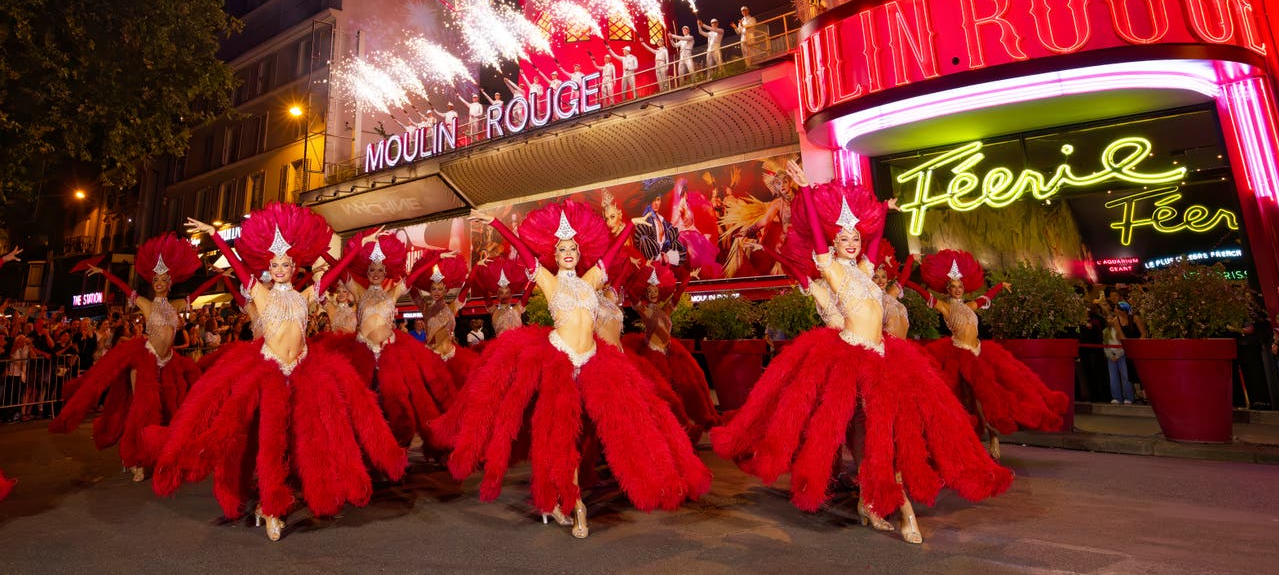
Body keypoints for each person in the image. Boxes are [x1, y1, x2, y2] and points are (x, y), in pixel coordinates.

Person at [712, 163, 1011, 544]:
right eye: (844, 238)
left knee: (886, 435)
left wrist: (883, 212)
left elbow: (871, 245)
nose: (852, 242)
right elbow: (814, 245)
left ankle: (874, 503)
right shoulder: (831, 272)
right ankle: (899, 513)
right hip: (848, 356)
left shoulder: (866, 271)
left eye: (856, 237)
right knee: (855, 431)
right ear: (833, 245)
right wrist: (804, 193)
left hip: (884, 357)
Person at [430, 201, 711, 539]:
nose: (567, 253)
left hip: (594, 360)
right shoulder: (549, 281)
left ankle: (653, 478)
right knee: (561, 437)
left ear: (580, 252)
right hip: (559, 362)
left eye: (572, 248)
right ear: (554, 252)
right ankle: (570, 504)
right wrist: (495, 223)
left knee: (635, 415)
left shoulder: (591, 280)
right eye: (561, 248)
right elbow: (521, 249)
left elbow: (610, 255)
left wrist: (628, 229)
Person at [148, 204, 406, 541]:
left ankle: (306, 488)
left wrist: (359, 246)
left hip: (303, 373)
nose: (281, 269)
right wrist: (215, 236)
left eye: (286, 264)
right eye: (275, 265)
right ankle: (270, 507)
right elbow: (239, 267)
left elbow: (337, 269)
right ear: (269, 267)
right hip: (269, 373)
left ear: (294, 266)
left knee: (309, 435)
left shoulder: (306, 298)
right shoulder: (259, 292)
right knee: (270, 441)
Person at [50, 235, 218, 480]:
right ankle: (137, 459)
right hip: (146, 361)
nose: (159, 283)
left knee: (171, 409)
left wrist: (218, 276)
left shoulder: (176, 306)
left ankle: (166, 454)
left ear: (170, 283)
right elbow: (125, 288)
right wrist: (103, 273)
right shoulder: (147, 305)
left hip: (169, 361)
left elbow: (200, 290)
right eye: (155, 280)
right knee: (142, 409)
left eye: (163, 280)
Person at [910, 250, 1071, 459]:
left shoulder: (970, 306)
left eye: (960, 287)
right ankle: (969, 442)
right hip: (959, 356)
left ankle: (993, 433)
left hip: (978, 354)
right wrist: (907, 283)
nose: (958, 290)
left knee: (989, 396)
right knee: (966, 401)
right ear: (947, 289)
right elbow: (926, 295)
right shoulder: (946, 308)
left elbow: (986, 297)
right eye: (954, 287)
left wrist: (1000, 286)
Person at [319, 231, 458, 448]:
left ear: (386, 272)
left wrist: (437, 259)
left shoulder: (393, 292)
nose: (375, 273)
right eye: (372, 269)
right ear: (366, 271)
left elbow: (412, 277)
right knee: (360, 402)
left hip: (389, 355)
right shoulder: (358, 291)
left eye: (380, 270)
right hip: (362, 354)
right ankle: (361, 445)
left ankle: (397, 445)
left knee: (395, 402)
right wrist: (320, 250)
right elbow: (340, 269)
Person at [622, 264, 719, 439]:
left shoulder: (666, 309)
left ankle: (691, 421)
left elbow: (678, 294)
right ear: (646, 292)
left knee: (689, 383)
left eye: (656, 290)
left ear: (660, 291)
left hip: (670, 353)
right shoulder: (644, 310)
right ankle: (669, 427)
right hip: (653, 356)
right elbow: (632, 294)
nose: (653, 293)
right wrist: (629, 273)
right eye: (649, 290)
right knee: (663, 392)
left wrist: (690, 277)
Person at [409, 255, 478, 388]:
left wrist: (476, 266)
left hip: (452, 358)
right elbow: (412, 291)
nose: (436, 292)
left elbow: (467, 285)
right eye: (433, 289)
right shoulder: (426, 309)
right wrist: (402, 273)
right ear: (429, 290)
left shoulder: (453, 307)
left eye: (440, 289)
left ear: (446, 290)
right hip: (431, 358)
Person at [475, 258, 530, 337]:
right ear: (497, 296)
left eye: (507, 293)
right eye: (501, 293)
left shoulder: (518, 308)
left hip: (519, 346)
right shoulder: (493, 310)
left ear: (511, 295)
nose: (505, 295)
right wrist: (477, 267)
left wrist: (536, 271)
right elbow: (483, 289)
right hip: (500, 347)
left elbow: (529, 290)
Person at [1101, 299, 1134, 404]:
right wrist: (1110, 355)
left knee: (1125, 376)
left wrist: (1118, 354)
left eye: (1112, 318)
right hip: (1111, 356)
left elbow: (1123, 342)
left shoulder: (1120, 328)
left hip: (1122, 354)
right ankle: (1116, 397)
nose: (1110, 320)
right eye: (1108, 318)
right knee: (1113, 377)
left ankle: (1128, 397)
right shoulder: (1105, 331)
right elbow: (1105, 344)